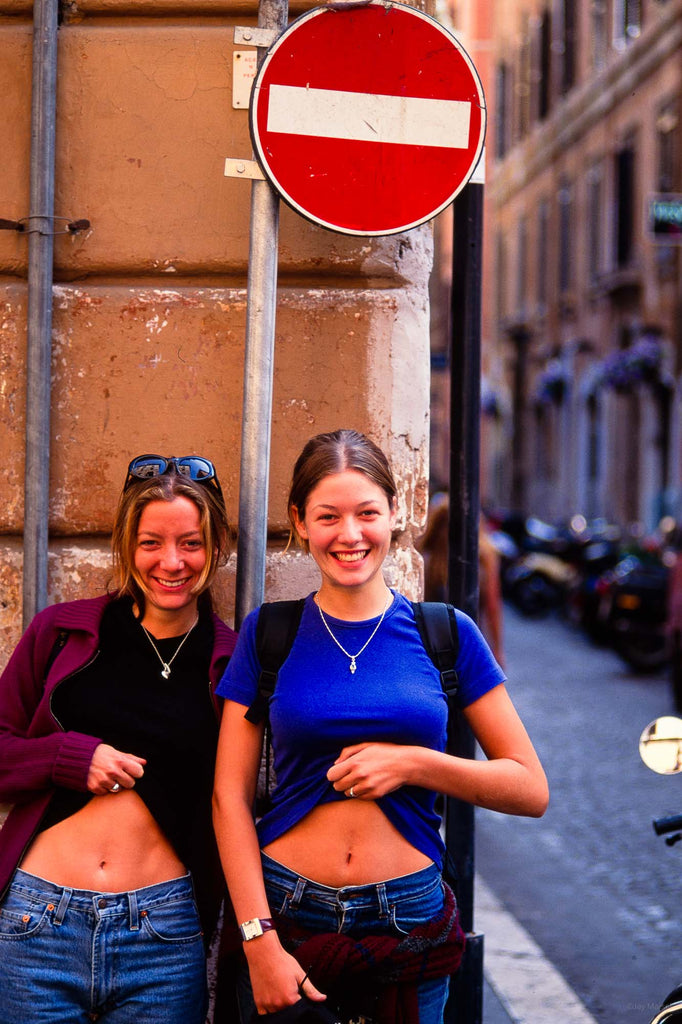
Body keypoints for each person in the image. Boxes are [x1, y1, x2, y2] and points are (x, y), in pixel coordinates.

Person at [213, 429, 548, 1023]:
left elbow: (529, 788)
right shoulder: (268, 633)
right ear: (300, 521)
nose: (349, 534)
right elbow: (228, 798)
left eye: (368, 513)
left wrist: (414, 763)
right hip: (289, 913)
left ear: (395, 515)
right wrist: (257, 938)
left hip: (408, 921)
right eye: (328, 516)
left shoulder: (446, 633)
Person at [0, 454, 237, 1024]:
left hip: (163, 933)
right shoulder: (62, 631)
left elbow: (236, 799)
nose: (172, 562)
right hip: (39, 922)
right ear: (126, 544)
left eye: (191, 543)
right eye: (151, 542)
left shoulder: (232, 660)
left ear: (217, 547)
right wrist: (69, 757)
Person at [419, 494, 505, 667]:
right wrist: (497, 650)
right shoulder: (484, 557)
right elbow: (492, 606)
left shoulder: (425, 558)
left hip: (432, 647)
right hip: (466, 645)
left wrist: (497, 649)